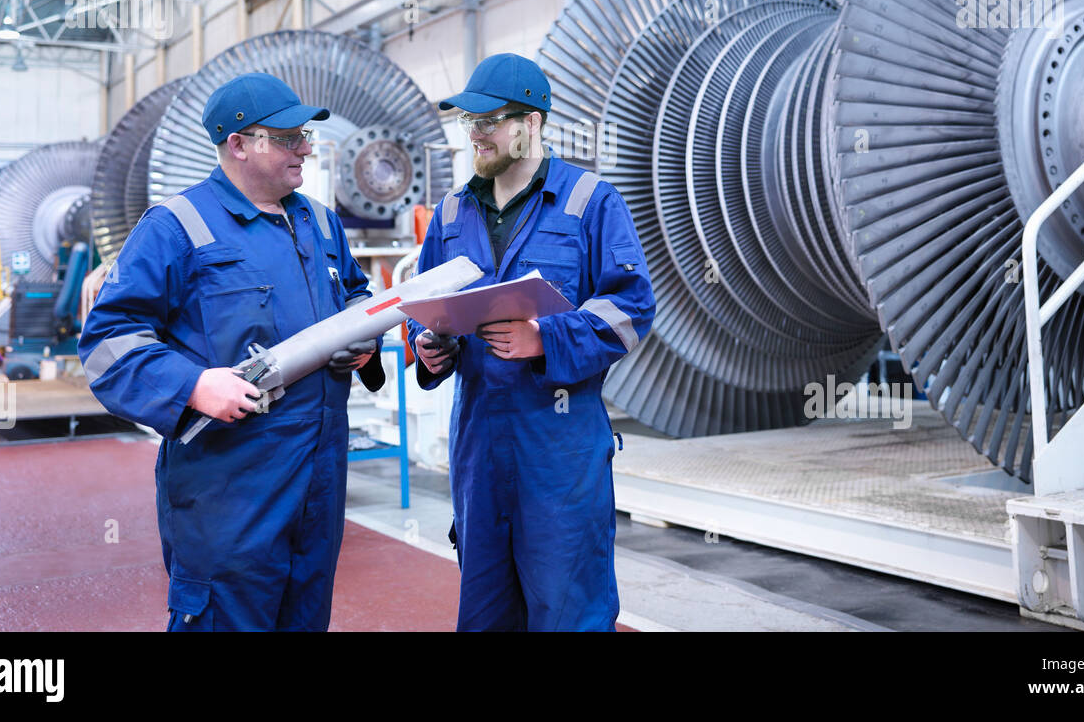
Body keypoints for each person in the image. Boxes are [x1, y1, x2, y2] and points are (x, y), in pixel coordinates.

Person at [79, 72, 384, 632]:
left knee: (305, 616)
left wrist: (364, 341)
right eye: (290, 137)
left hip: (318, 478)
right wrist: (193, 385)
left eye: (305, 136)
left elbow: (357, 295)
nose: (307, 149)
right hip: (229, 490)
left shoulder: (320, 221)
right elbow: (107, 341)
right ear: (239, 144)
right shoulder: (177, 227)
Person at [406, 53, 655, 631]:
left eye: (489, 121)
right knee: (487, 611)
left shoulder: (589, 203)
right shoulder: (449, 215)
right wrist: (428, 346)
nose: (477, 134)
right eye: (470, 123)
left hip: (559, 446)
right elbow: (423, 310)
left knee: (568, 609)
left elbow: (631, 311)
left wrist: (546, 336)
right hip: (478, 447)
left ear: (532, 123)